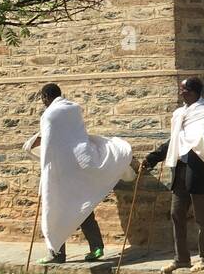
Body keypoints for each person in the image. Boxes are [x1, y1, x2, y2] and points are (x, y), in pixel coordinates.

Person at [140, 77, 204, 274]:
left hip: (198, 169)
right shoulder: (180, 114)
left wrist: (200, 142)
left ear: (196, 92)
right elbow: (175, 140)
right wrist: (152, 158)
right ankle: (181, 258)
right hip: (180, 168)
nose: (182, 93)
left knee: (201, 216)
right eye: (181, 89)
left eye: (185, 90)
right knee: (176, 213)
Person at [24, 83, 132, 264]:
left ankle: (56, 253)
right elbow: (72, 136)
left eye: (42, 98)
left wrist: (31, 147)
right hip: (79, 165)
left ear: (45, 97)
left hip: (61, 170)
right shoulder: (73, 109)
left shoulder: (49, 115)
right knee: (82, 207)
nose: (42, 102)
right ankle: (96, 247)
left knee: (56, 209)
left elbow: (50, 142)